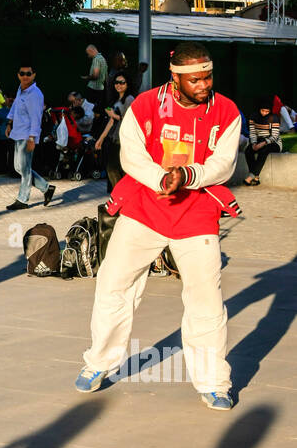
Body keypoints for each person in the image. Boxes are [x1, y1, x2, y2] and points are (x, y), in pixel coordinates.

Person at [74, 42, 241, 410]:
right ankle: (98, 363)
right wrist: (159, 178)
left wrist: (188, 174)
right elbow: (130, 153)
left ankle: (214, 382)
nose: (204, 85)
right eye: (195, 79)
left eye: (208, 77)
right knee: (114, 284)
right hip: (144, 209)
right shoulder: (147, 104)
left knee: (206, 300)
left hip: (196, 213)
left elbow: (224, 164)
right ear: (175, 77)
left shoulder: (226, 111)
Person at [6, 64, 56, 211]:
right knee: (19, 167)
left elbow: (36, 117)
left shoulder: (35, 94)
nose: (25, 76)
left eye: (28, 73)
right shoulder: (21, 89)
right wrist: (9, 123)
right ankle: (46, 188)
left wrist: (32, 138)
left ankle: (22, 199)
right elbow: (15, 107)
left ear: (34, 75)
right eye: (22, 73)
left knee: (24, 168)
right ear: (18, 75)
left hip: (27, 135)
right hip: (18, 132)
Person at [93, 72, 134, 191]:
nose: (119, 85)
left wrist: (114, 116)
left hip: (125, 140)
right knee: (112, 169)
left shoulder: (130, 99)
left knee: (116, 169)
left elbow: (131, 119)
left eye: (122, 82)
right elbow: (111, 122)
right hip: (115, 138)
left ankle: (121, 197)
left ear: (127, 84)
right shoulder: (117, 100)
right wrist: (100, 139)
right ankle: (120, 197)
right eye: (116, 82)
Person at [244, 98, 282, 185]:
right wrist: (253, 143)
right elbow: (252, 132)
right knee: (248, 151)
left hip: (273, 143)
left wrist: (263, 143)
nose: (264, 113)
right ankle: (256, 178)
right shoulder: (253, 116)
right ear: (259, 109)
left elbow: (275, 136)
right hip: (258, 141)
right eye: (262, 110)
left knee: (264, 151)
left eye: (267, 111)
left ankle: (251, 176)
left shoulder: (274, 118)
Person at [83, 43, 108, 112]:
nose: (88, 56)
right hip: (101, 89)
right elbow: (106, 76)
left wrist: (87, 77)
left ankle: (90, 121)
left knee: (90, 108)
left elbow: (95, 75)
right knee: (99, 108)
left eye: (88, 53)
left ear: (91, 51)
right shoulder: (102, 58)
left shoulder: (96, 59)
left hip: (94, 88)